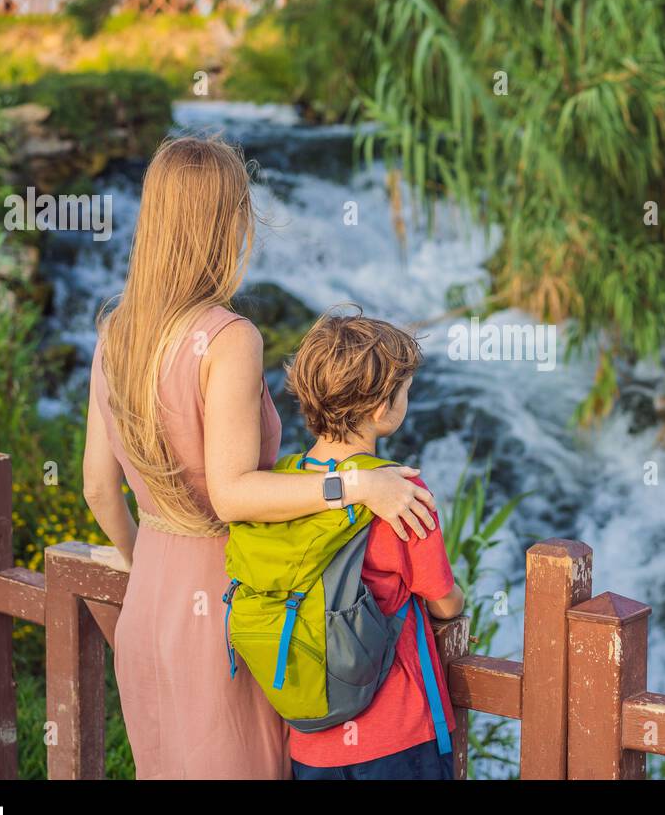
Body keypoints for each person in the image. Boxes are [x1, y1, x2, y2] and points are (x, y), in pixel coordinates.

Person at [81, 136, 438, 779]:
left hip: (148, 607)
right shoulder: (229, 337)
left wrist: (149, 570)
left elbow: (98, 490)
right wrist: (355, 487)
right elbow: (232, 495)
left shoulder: (115, 331)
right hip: (232, 607)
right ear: (225, 225)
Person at [271, 309, 465, 780]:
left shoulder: (280, 490)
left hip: (312, 739)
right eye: (404, 392)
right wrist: (462, 601)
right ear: (383, 410)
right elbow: (442, 600)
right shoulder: (400, 494)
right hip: (397, 737)